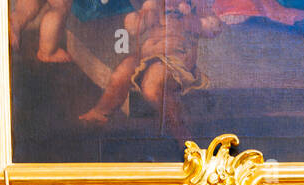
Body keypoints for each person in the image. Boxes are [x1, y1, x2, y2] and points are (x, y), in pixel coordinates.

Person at [78, 0, 223, 131]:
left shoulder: (195, 5)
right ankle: (101, 113)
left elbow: (214, 28)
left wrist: (194, 21)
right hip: (147, 55)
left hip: (175, 60)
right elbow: (134, 28)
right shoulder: (154, 4)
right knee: (121, 72)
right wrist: (143, 18)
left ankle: (180, 131)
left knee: (151, 87)